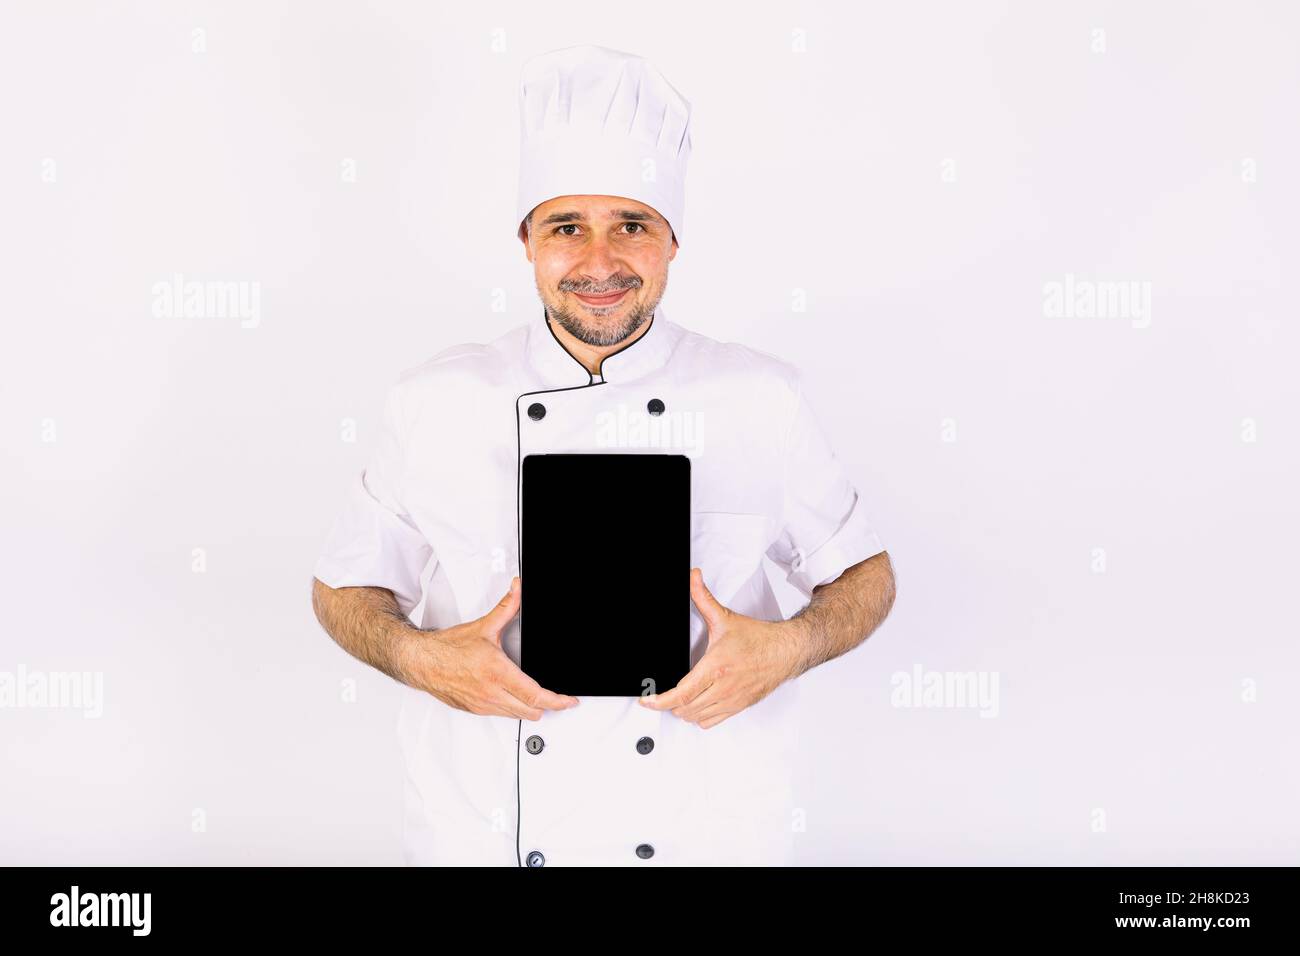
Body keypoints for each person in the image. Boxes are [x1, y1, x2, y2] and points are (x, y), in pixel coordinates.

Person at [311, 44, 896, 866]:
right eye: (566, 227)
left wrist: (791, 646)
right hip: (483, 839)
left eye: (632, 225)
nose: (599, 263)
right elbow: (343, 585)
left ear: (672, 242)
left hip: (705, 839)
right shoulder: (433, 402)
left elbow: (866, 574)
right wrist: (417, 656)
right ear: (526, 241)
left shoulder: (761, 397)